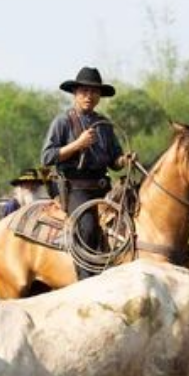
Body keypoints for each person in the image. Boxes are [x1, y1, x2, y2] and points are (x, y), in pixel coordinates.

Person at [41, 66, 136, 279]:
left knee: (130, 217)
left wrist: (124, 160)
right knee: (88, 227)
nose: (89, 96)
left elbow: (115, 161)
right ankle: (86, 279)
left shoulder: (105, 125)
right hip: (75, 188)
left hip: (103, 186)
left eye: (94, 92)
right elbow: (47, 157)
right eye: (84, 91)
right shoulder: (63, 122)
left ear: (99, 97)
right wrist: (77, 144)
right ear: (75, 93)